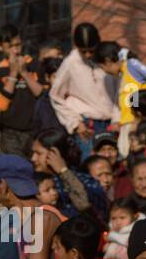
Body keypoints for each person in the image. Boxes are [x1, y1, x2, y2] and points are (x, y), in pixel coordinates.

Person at [49, 23, 117, 158]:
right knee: (91, 167)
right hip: (87, 125)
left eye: (92, 50)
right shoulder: (71, 62)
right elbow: (55, 96)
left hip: (115, 124)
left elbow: (130, 88)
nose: (88, 54)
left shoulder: (111, 56)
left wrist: (129, 117)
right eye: (83, 51)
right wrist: (75, 123)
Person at [0, 24, 45, 156]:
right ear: (1, 47)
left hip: (35, 130)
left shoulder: (35, 65)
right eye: (10, 47)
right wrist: (13, 74)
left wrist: (24, 73)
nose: (16, 51)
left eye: (18, 45)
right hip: (11, 133)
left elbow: (41, 94)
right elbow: (1, 104)